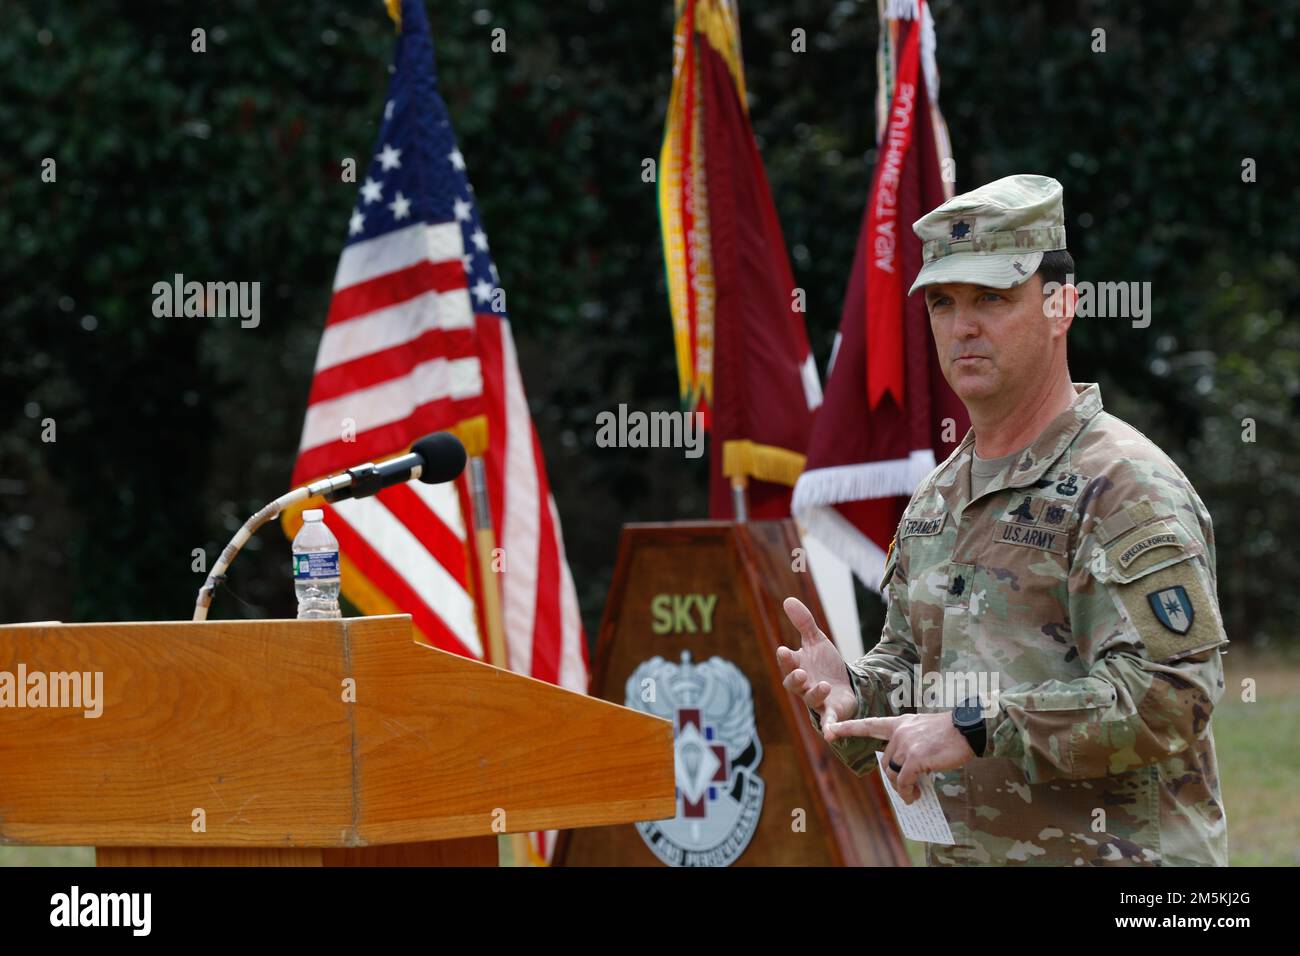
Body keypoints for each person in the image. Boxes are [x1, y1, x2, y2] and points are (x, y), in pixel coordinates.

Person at [777, 174, 1229, 866]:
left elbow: (1174, 695)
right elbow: (915, 664)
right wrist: (852, 687)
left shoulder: (1123, 484)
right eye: (944, 302)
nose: (964, 326)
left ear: (1061, 305)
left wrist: (979, 727)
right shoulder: (938, 496)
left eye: (993, 297)